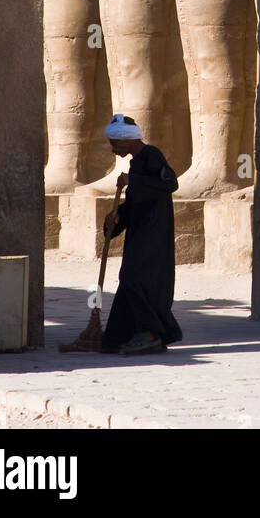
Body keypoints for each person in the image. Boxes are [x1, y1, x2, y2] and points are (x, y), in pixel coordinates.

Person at [99, 114, 183, 356]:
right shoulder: (136, 162)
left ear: (128, 141)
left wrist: (132, 180)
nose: (113, 149)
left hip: (154, 234)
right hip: (140, 232)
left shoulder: (152, 155)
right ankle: (118, 337)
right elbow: (137, 202)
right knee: (130, 280)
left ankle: (151, 333)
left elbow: (169, 183)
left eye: (115, 143)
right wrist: (116, 218)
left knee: (135, 278)